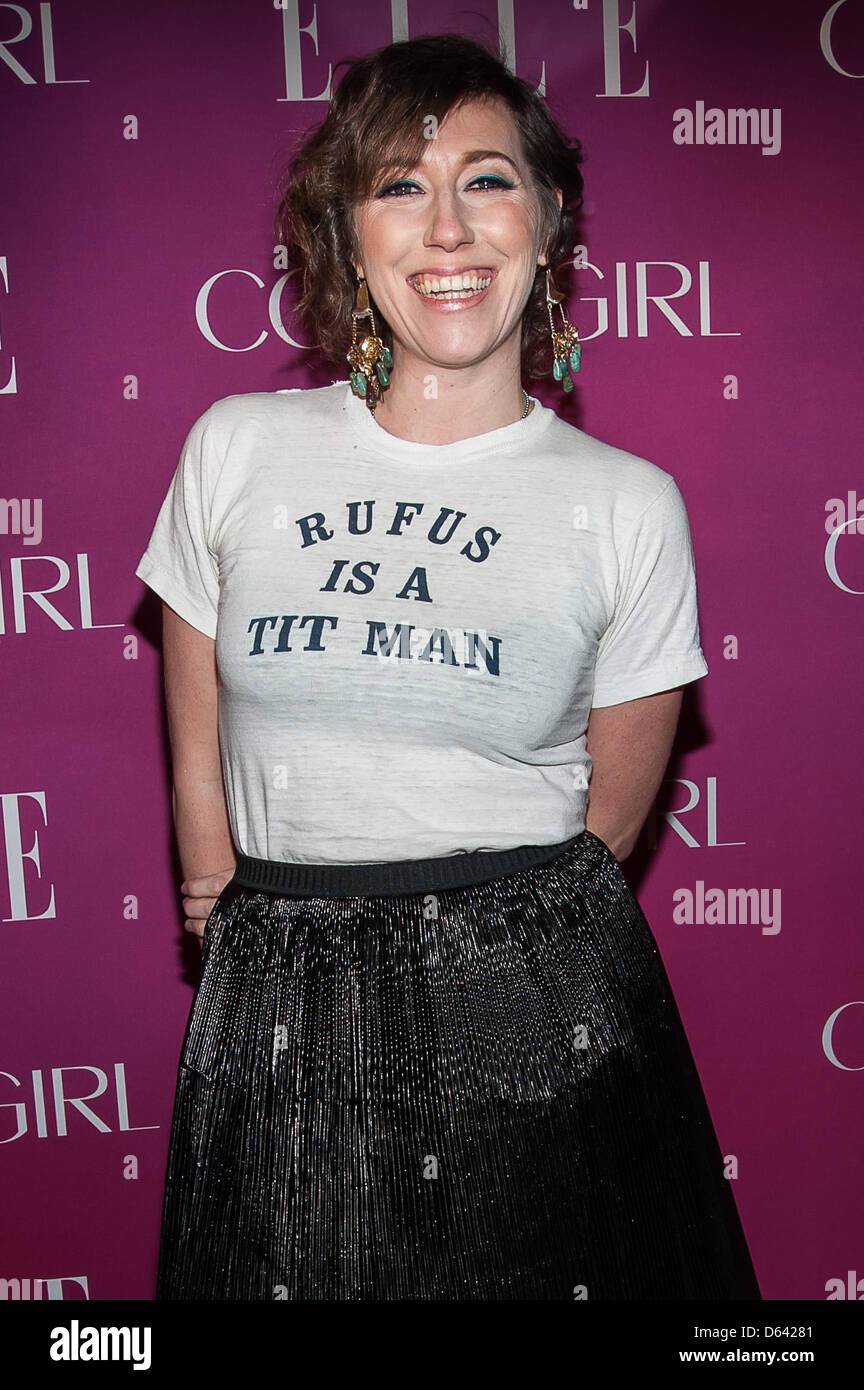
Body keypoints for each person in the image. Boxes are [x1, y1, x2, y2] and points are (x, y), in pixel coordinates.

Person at [135, 32, 762, 1301]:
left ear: (548, 220)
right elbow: (193, 698)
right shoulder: (237, 446)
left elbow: (607, 825)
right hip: (280, 983)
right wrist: (217, 885)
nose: (448, 228)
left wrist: (489, 950)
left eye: (486, 179)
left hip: (523, 984)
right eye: (399, 185)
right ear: (347, 233)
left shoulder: (627, 504)